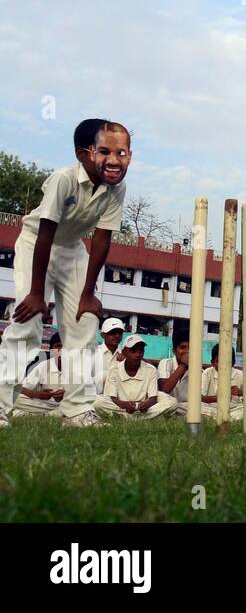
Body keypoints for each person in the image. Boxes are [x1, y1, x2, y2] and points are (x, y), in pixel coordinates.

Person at [0, 119, 131, 429]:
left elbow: (102, 238)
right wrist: (35, 294)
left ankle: (77, 411)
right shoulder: (63, 179)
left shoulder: (116, 187)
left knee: (84, 325)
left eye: (122, 152)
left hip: (73, 251)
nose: (114, 160)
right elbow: (45, 233)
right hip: (37, 245)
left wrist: (88, 294)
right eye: (104, 151)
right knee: (27, 325)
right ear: (83, 154)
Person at [94, 335, 176, 420]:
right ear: (124, 352)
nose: (137, 354)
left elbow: (153, 398)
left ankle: (123, 417)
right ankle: (143, 418)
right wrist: (125, 405)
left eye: (141, 351)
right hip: (121, 407)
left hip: (142, 408)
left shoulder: (150, 370)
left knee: (172, 403)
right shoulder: (114, 369)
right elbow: (112, 398)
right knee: (98, 402)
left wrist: (146, 404)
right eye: (133, 350)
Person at [200, 347, 246, 421]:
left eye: (226, 361)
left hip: (234, 409)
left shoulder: (240, 374)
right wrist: (219, 398)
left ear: (233, 363)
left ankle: (226, 419)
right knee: (191, 406)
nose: (222, 365)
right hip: (212, 408)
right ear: (212, 363)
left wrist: (241, 392)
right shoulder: (207, 373)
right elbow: (199, 397)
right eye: (218, 361)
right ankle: (230, 419)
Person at [13, 334, 65, 417]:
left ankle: (35, 414)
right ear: (51, 350)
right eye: (57, 346)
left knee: (90, 402)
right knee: (16, 398)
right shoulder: (44, 365)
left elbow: (87, 393)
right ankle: (52, 414)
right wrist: (38, 395)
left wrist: (66, 394)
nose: (61, 350)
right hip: (47, 404)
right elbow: (20, 388)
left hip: (69, 403)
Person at [157, 335, 194, 413]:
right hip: (168, 405)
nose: (187, 351)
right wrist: (183, 364)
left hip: (185, 407)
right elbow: (164, 389)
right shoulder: (166, 363)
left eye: (190, 348)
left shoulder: (197, 370)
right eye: (183, 347)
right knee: (172, 404)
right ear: (174, 351)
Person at [95, 317, 126, 394]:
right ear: (102, 335)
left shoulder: (126, 354)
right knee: (103, 375)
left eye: (120, 332)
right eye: (113, 332)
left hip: (117, 395)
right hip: (94, 395)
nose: (117, 336)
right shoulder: (93, 352)